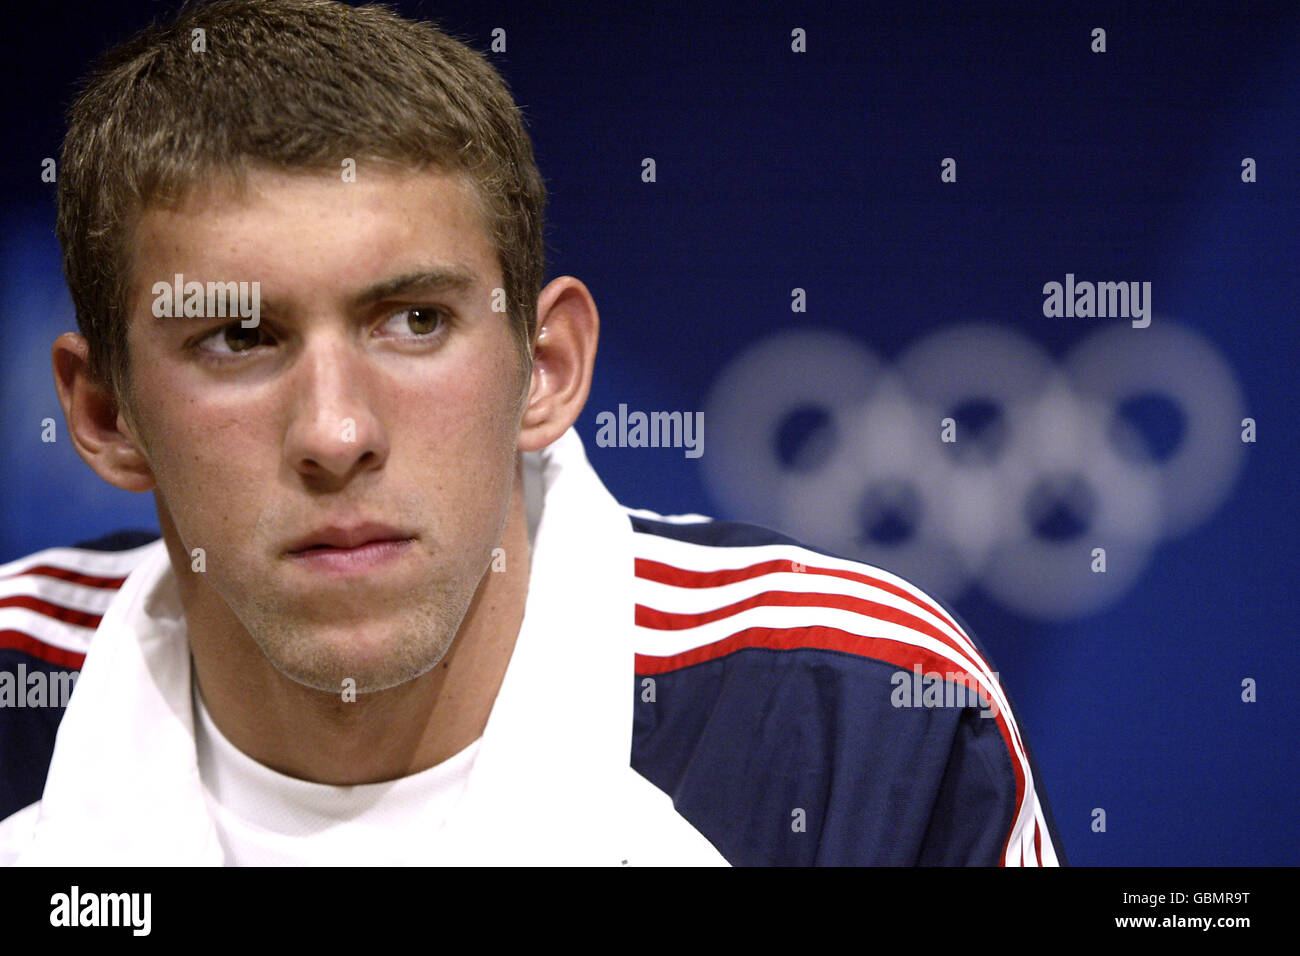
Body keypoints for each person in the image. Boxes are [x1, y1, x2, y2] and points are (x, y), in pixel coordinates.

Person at [0, 0, 1064, 865]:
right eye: (239, 336)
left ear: (547, 369)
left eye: (415, 321)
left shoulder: (860, 711)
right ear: (105, 413)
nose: (335, 431)